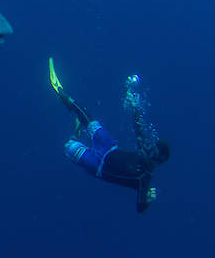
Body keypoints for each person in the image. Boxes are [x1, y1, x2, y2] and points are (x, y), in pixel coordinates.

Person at [49, 57, 170, 214]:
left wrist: (148, 201)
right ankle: (63, 95)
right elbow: (138, 127)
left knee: (68, 146)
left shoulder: (144, 181)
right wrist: (134, 105)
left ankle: (76, 134)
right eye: (153, 150)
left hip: (98, 166)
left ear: (158, 162)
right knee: (89, 119)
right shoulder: (145, 151)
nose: (151, 155)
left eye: (155, 156)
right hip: (109, 147)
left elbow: (140, 208)